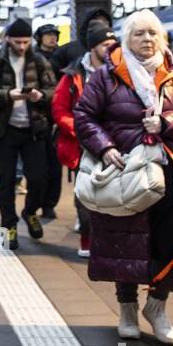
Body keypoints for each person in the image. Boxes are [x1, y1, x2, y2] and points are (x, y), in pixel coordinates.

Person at [73, 10, 173, 345]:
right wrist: (104, 148)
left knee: (171, 241)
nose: (146, 40)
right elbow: (84, 115)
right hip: (126, 171)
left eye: (152, 34)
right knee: (126, 240)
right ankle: (127, 308)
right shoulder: (106, 76)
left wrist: (167, 122)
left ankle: (157, 307)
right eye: (139, 34)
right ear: (125, 39)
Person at [0, 18, 57, 250]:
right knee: (5, 181)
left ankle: (30, 211)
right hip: (5, 130)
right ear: (7, 39)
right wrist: (7, 95)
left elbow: (55, 91)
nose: (21, 46)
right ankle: (8, 226)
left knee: (39, 178)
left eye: (25, 41)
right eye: (17, 41)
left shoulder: (39, 61)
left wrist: (41, 95)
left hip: (34, 129)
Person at [51, 20, 115, 258]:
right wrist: (81, 130)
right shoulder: (72, 76)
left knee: (113, 195)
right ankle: (88, 238)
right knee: (85, 195)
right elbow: (59, 109)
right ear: (93, 47)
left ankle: (108, 240)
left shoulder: (121, 71)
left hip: (114, 145)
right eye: (106, 44)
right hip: (82, 147)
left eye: (113, 43)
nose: (111, 48)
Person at [34, 23, 65, 220]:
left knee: (55, 164)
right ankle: (36, 201)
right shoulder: (32, 57)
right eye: (48, 35)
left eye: (54, 35)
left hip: (57, 117)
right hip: (37, 117)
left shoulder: (63, 57)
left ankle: (49, 204)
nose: (51, 38)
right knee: (38, 165)